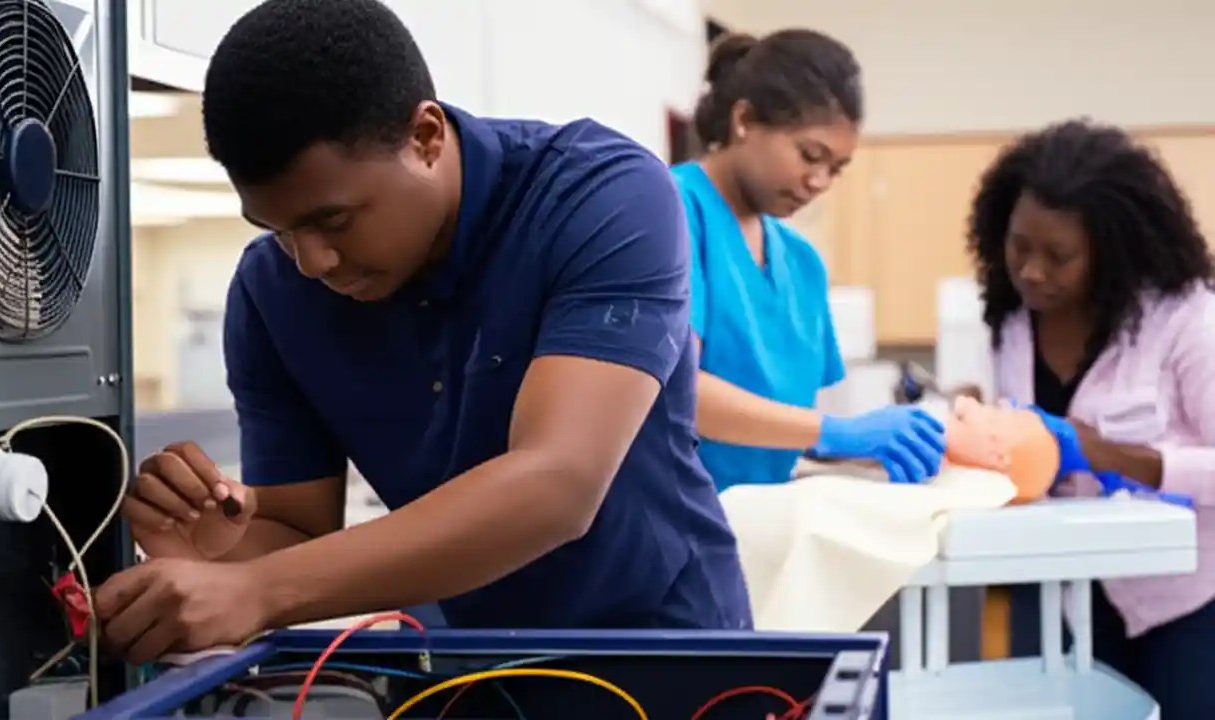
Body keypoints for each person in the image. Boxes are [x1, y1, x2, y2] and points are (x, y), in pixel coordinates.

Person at [92, 0, 752, 664]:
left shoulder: (600, 197)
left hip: (664, 648)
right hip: (460, 665)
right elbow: (298, 529)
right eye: (279, 230)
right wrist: (218, 553)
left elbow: (557, 485)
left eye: (335, 220)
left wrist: (255, 589)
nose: (312, 262)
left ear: (426, 136)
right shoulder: (272, 293)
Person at [969, 119, 1215, 717]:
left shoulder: (1187, 320)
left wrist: (1107, 453)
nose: (1031, 271)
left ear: (1111, 250)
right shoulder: (1010, 320)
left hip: (1181, 602)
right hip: (1059, 590)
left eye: (1059, 256)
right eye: (1019, 245)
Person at [673, 30, 947, 491]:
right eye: (810, 155)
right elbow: (676, 390)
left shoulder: (801, 263)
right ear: (744, 120)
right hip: (674, 522)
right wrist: (833, 431)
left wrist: (863, 449)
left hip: (760, 525)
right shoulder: (673, 210)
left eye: (836, 169)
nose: (819, 181)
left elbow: (788, 434)